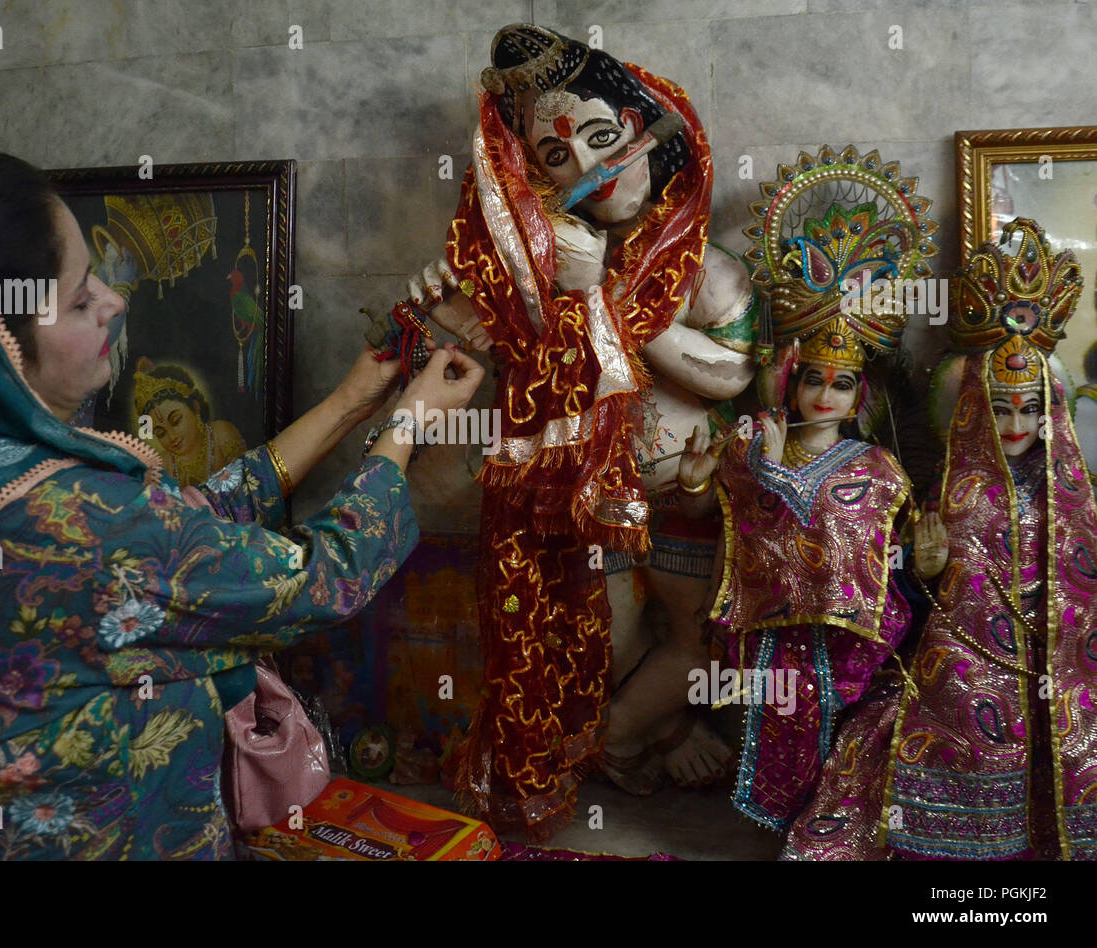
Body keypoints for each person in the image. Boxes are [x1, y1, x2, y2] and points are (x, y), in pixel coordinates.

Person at [0, 152, 483, 859]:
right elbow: (325, 575)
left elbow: (189, 518)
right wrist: (411, 421)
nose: (114, 300)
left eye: (95, 275)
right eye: (78, 299)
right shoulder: (70, 520)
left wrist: (348, 404)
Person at [408, 23, 753, 837]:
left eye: (604, 139)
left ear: (643, 128)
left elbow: (735, 372)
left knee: (696, 643)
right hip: (581, 512)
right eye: (556, 159)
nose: (588, 171)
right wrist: (456, 299)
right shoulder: (546, 262)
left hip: (691, 507)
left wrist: (607, 300)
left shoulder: (698, 261)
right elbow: (485, 336)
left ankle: (643, 734)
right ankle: (639, 736)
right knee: (593, 637)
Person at [784, 219, 1096, 860]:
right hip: (970, 658)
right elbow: (905, 588)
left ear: (1050, 410)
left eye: (1028, 407)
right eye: (1000, 405)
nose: (1014, 423)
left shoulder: (1075, 495)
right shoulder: (948, 488)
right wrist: (923, 568)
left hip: (1061, 661)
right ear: (974, 403)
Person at [676, 145, 936, 831]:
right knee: (771, 732)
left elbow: (892, 560)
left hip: (845, 640)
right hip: (766, 632)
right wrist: (698, 480)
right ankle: (790, 826)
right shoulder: (748, 441)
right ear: (793, 379)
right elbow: (720, 510)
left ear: (859, 394)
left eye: (840, 382)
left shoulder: (878, 470)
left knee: (838, 741)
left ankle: (832, 823)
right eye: (813, 377)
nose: (824, 393)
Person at [131, 358, 248, 485]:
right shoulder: (163, 465)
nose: (172, 436)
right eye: (161, 433)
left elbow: (246, 487)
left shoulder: (221, 434)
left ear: (195, 406)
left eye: (176, 421)